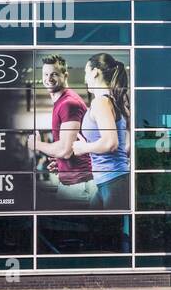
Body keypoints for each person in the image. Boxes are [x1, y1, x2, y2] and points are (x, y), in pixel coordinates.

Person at [32, 55, 94, 207]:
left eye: (54, 74)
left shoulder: (68, 103)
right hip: (74, 182)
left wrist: (36, 145)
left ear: (65, 75)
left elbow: (66, 150)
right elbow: (69, 150)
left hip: (77, 184)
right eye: (45, 74)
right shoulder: (61, 102)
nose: (49, 78)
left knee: (71, 230)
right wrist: (61, 162)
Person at [72, 53, 131, 211]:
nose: (85, 79)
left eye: (86, 73)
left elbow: (110, 143)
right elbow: (126, 146)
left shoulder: (101, 102)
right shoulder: (115, 101)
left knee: (107, 233)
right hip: (110, 181)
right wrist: (90, 147)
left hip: (113, 181)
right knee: (96, 229)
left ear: (95, 72)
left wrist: (83, 148)